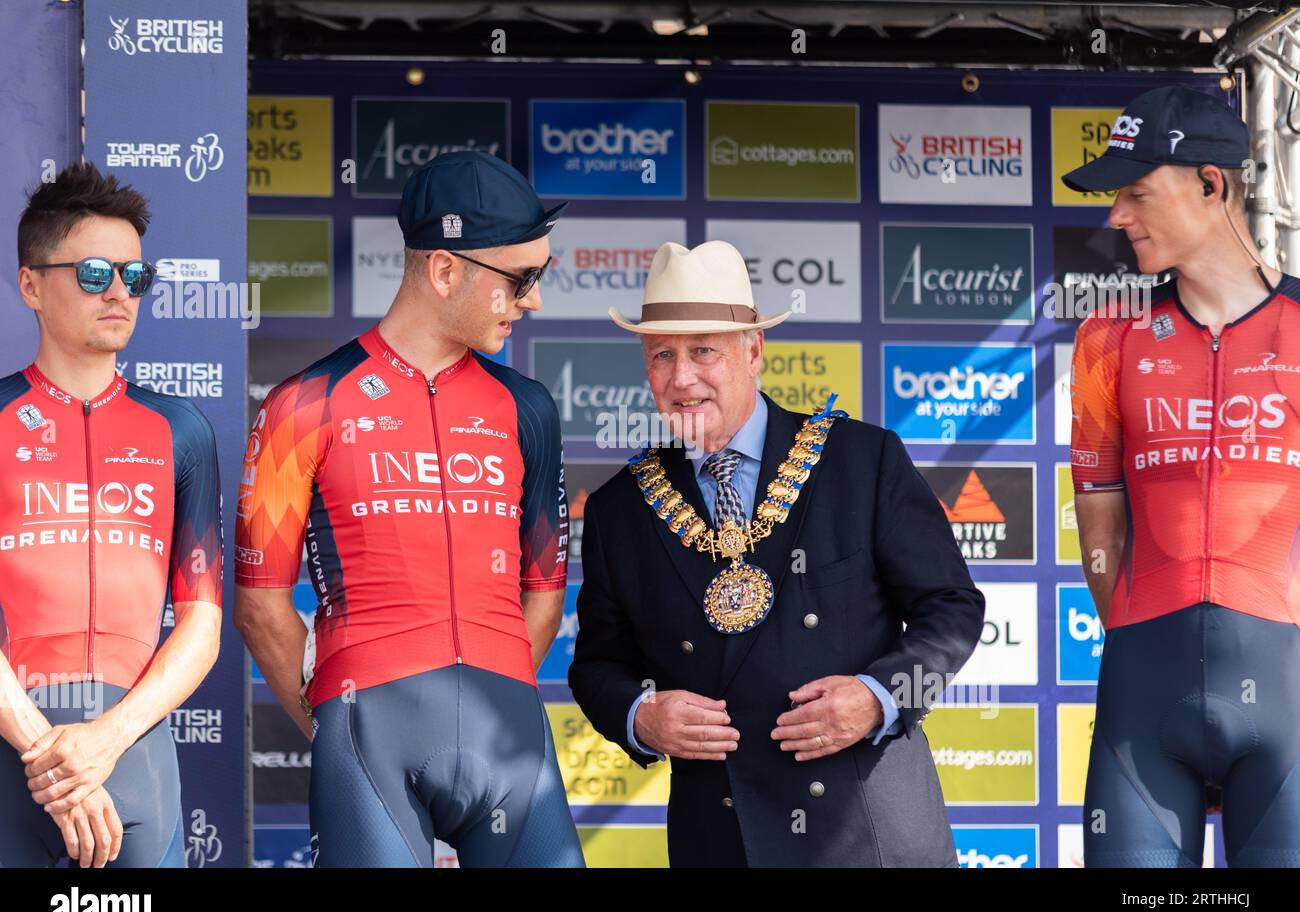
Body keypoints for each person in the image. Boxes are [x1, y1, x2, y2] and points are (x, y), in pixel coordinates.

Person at [568, 240, 984, 866]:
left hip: (867, 830)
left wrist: (877, 696)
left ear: (754, 351)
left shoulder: (860, 460)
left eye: (703, 350)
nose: (682, 377)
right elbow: (596, 665)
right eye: (662, 355)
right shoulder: (618, 510)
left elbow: (950, 608)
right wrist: (640, 714)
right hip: (721, 838)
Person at [234, 150, 584, 867]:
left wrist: (480, 695)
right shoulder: (301, 405)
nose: (535, 300)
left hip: (512, 745)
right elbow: (260, 605)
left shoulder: (529, 408)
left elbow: (543, 596)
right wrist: (339, 722)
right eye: (521, 279)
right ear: (446, 269)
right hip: (371, 742)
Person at [1066, 84, 1300, 867]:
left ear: (1210, 184)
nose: (1116, 217)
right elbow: (1100, 526)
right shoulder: (1109, 341)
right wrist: (1147, 645)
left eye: (1136, 192)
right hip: (1144, 695)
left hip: (1288, 695)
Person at [0, 161, 223, 868]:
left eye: (135, 276)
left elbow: (203, 619)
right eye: (95, 273)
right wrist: (52, 753)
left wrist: (105, 739)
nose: (120, 292)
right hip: (15, 754)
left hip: (135, 755)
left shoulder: (180, 430)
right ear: (32, 283)